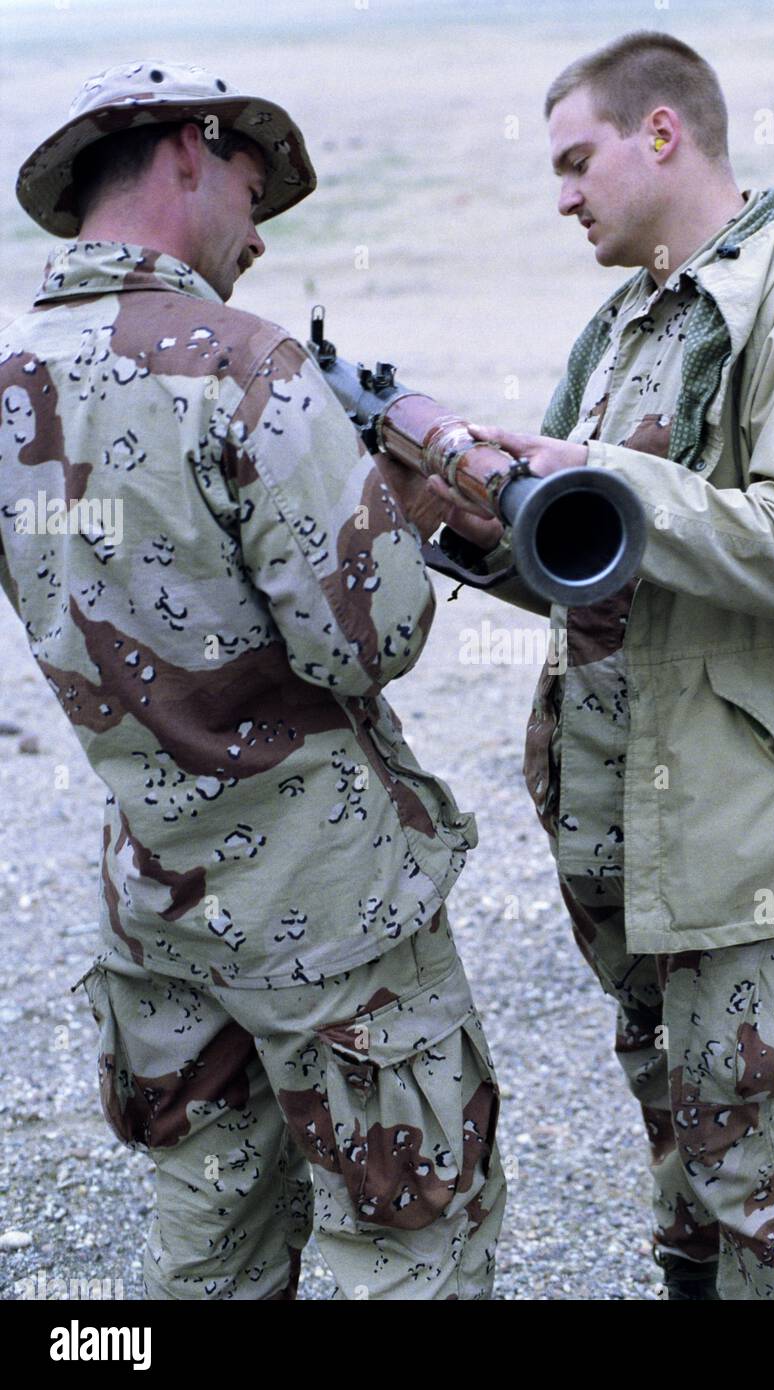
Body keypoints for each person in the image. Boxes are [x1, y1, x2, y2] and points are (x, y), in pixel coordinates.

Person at [426, 31, 774, 1300]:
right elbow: (592, 562)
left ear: (661, 132)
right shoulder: (628, 322)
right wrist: (465, 521)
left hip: (742, 829)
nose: (561, 196)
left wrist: (601, 474)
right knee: (679, 1137)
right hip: (624, 821)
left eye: (577, 161)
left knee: (750, 1179)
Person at [0, 60, 504, 1300]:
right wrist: (404, 513)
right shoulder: (241, 363)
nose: (261, 228)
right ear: (185, 150)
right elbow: (365, 641)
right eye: (249, 178)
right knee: (414, 1232)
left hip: (159, 898)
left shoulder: (11, 375)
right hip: (328, 909)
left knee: (209, 1250)